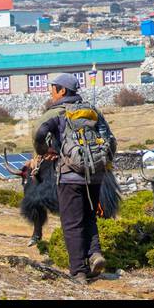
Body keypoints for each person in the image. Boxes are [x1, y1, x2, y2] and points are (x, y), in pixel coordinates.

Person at [34, 73, 115, 283]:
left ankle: (78, 271)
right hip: (95, 175)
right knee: (89, 215)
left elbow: (38, 133)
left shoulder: (56, 112)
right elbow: (111, 140)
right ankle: (95, 254)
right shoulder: (91, 110)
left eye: (53, 89)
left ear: (62, 91)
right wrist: (102, 166)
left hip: (70, 176)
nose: (51, 93)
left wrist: (44, 151)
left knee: (71, 222)